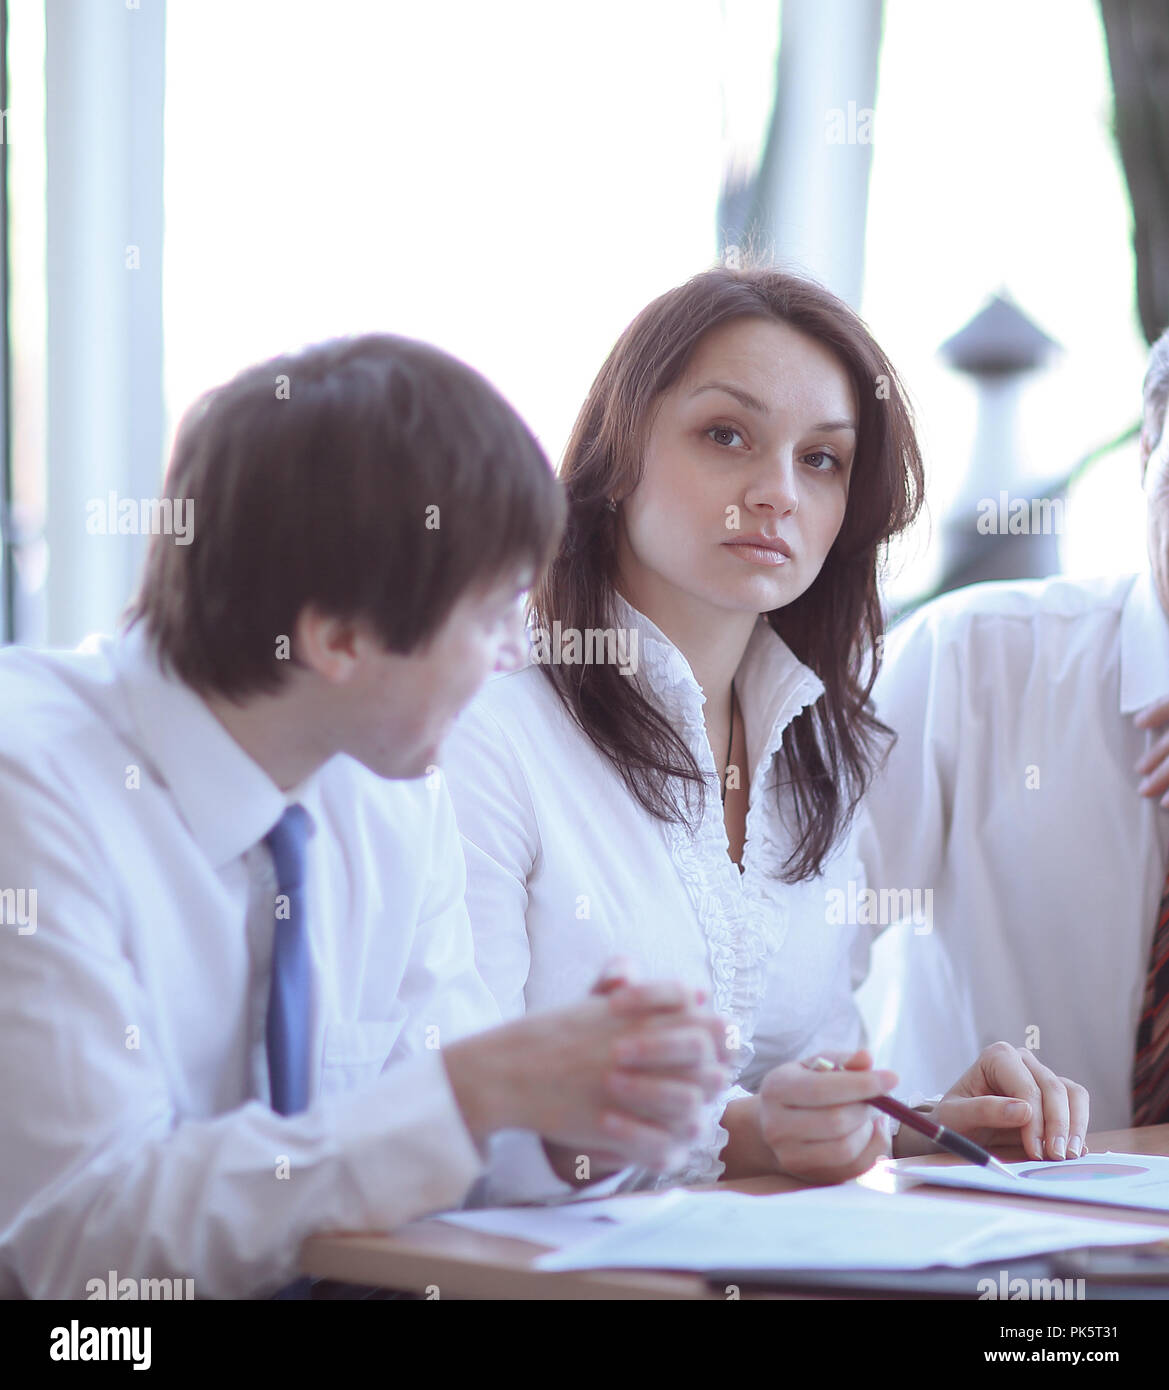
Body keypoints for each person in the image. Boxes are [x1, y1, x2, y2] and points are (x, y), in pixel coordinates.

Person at [0, 334, 731, 1300]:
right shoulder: (33, 792)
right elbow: (80, 1244)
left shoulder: (390, 785)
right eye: (491, 615)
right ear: (338, 639)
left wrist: (567, 1116)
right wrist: (473, 1090)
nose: (515, 653)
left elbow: (426, 1137)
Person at [443, 265, 1086, 1190]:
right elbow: (467, 1132)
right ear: (617, 457)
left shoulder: (828, 758)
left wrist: (914, 1126)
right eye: (725, 435)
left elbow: (808, 1083)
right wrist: (747, 1135)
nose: (777, 490)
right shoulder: (490, 739)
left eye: (820, 458)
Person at [858, 326, 1169, 1136]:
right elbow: (785, 971)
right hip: (971, 1217)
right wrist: (892, 1122)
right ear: (1148, 447)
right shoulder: (968, 661)